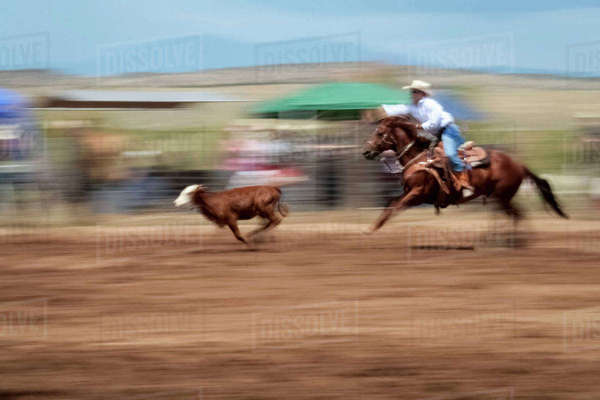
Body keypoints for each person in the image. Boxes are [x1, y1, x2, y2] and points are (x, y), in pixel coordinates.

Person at [381, 80, 473, 197]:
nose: (412, 94)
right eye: (411, 91)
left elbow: (434, 123)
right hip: (437, 134)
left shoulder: (431, 104)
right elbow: (400, 108)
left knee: (449, 154)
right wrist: (382, 109)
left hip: (448, 130)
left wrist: (419, 126)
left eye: (414, 91)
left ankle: (464, 182)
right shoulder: (413, 106)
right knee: (429, 156)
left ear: (422, 93)